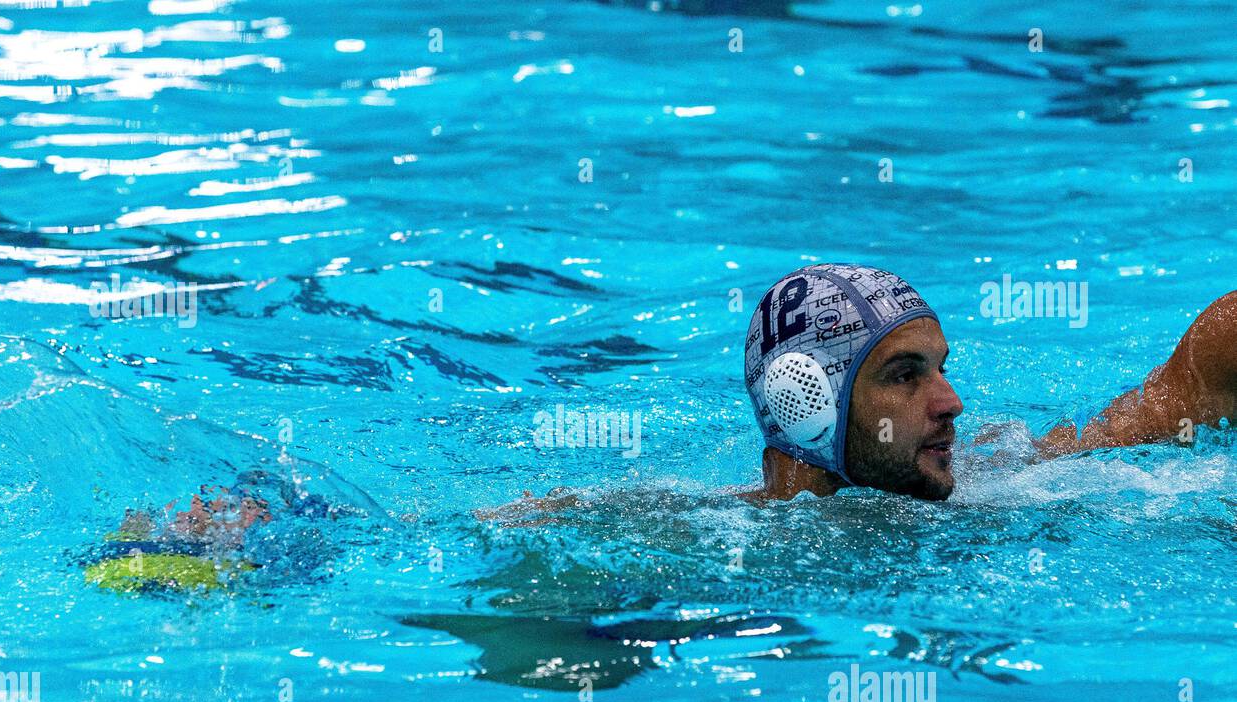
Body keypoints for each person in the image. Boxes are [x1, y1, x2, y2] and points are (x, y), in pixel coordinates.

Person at [480, 263, 1236, 519]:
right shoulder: (710, 535)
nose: (951, 402)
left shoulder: (1002, 478)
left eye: (941, 367)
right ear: (809, 402)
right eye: (906, 375)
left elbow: (1176, 397)